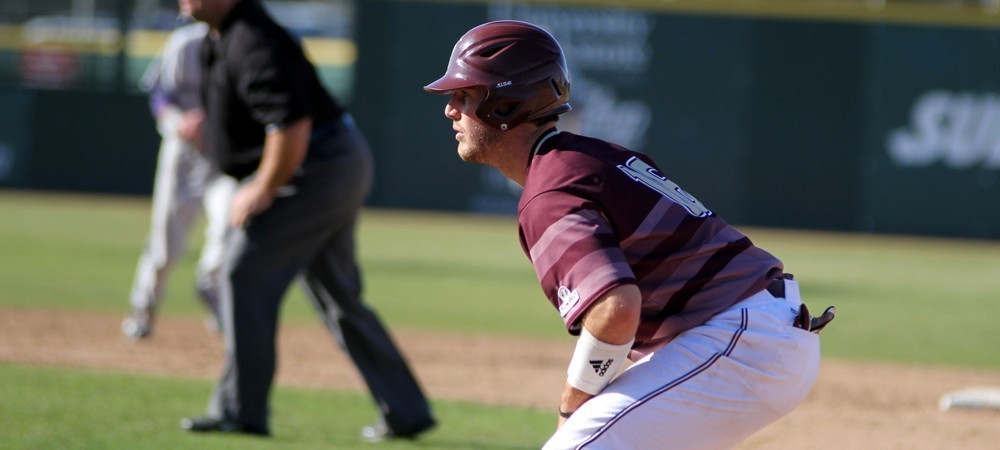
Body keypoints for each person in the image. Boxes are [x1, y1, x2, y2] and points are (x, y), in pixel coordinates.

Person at [424, 20, 835, 449]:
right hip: (750, 334)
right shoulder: (587, 158)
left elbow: (616, 309)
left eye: (465, 95)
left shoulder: (551, 191)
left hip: (739, 343)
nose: (450, 109)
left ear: (505, 105)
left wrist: (572, 404)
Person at [175, 0, 435, 440]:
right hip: (330, 162)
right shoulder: (221, 38)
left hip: (316, 168)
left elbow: (290, 124)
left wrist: (263, 187)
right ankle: (406, 411)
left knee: (244, 272)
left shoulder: (253, 39)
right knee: (338, 294)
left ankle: (240, 410)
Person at [122, 19, 237, 341]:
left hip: (224, 158)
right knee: (164, 247)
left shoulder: (244, 45)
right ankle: (142, 310)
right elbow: (158, 94)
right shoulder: (185, 43)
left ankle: (211, 290)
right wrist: (177, 120)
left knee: (230, 229)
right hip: (183, 154)